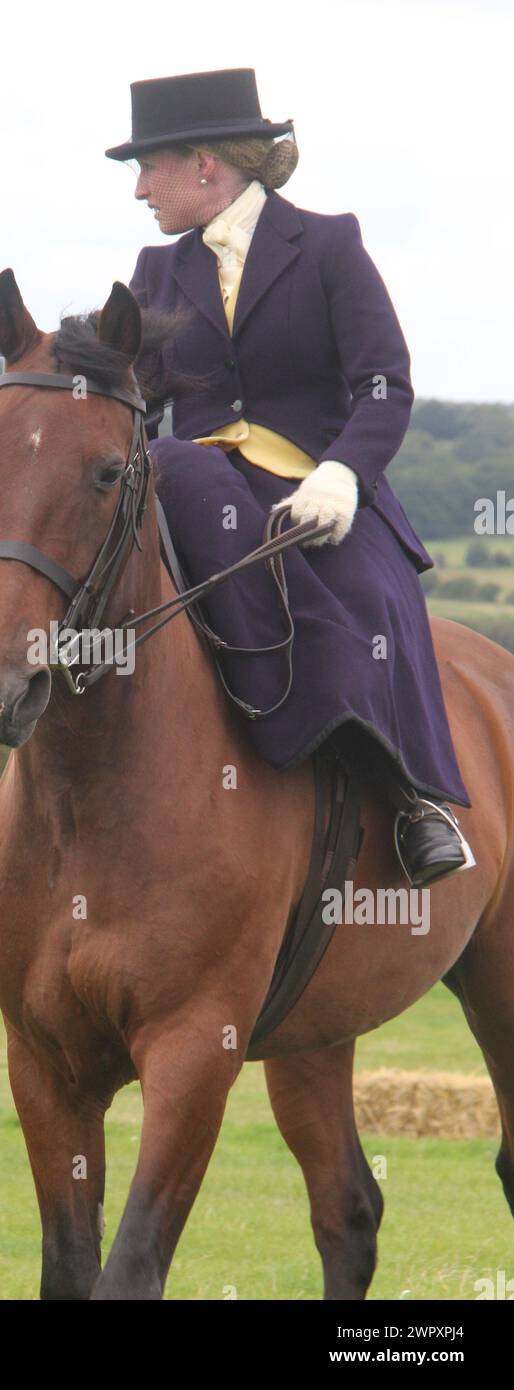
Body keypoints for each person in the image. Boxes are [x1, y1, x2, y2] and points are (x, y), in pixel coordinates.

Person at [104, 67, 474, 887]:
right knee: (158, 479)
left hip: (315, 492)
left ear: (204, 163)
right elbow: (125, 386)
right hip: (197, 488)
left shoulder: (330, 245)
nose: (138, 192)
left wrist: (344, 474)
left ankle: (418, 800)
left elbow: (386, 382)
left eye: (148, 168)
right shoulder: (156, 271)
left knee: (379, 597)